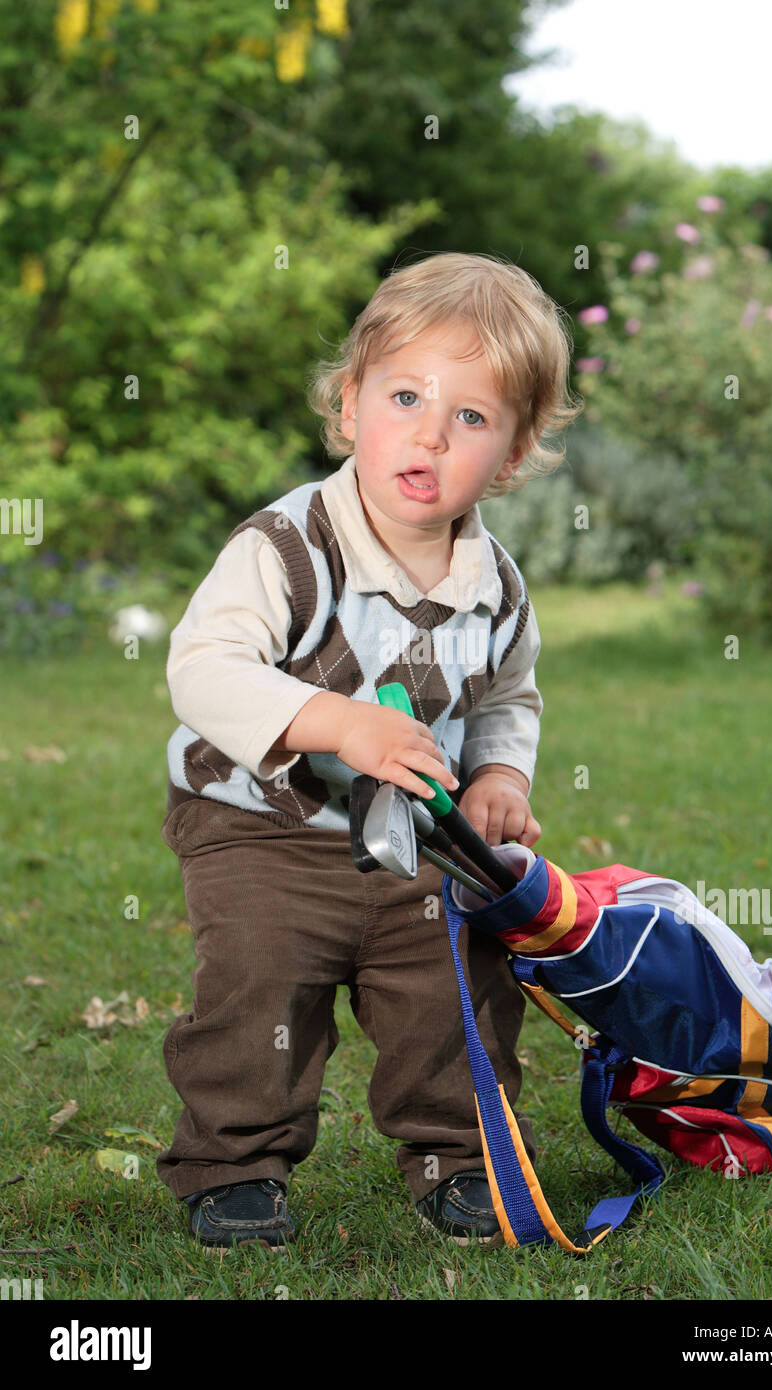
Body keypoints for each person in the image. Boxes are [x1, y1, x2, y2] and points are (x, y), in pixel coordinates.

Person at [156, 251, 583, 1252]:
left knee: (456, 982)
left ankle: (459, 1156)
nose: (431, 431)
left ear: (512, 456)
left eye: (472, 417)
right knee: (261, 983)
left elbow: (510, 695)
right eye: (404, 395)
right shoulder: (288, 544)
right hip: (263, 821)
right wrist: (337, 721)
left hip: (412, 838)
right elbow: (202, 667)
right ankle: (234, 1161)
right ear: (350, 407)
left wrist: (498, 776)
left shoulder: (496, 584)